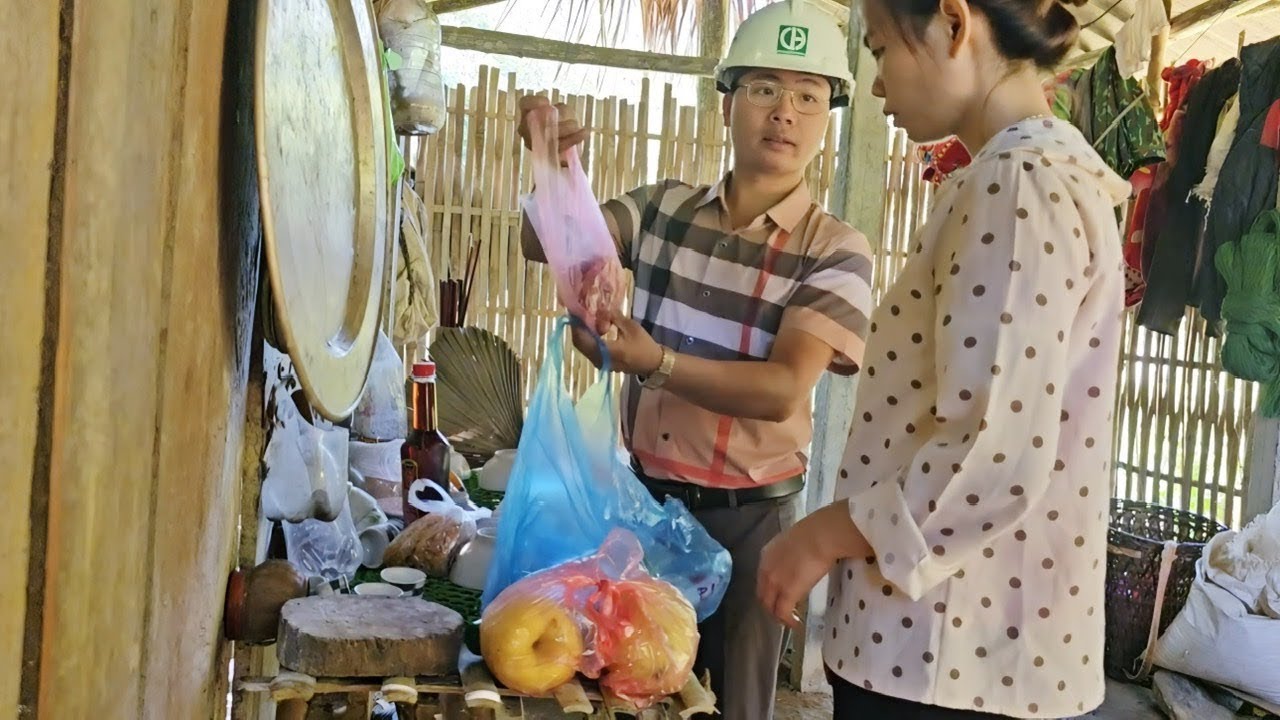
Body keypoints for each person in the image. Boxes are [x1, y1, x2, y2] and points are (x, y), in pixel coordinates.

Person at [756, 0, 1129, 718]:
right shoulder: (1034, 173)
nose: (876, 84)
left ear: (954, 24)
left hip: (949, 660)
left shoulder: (1018, 183)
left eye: (881, 50)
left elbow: (994, 448)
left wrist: (821, 535)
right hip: (969, 653)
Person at [517, 2, 873, 716]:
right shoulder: (662, 209)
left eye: (808, 96)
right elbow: (545, 243)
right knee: (633, 695)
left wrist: (656, 362)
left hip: (752, 526)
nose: (785, 113)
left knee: (733, 705)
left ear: (828, 117)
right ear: (727, 102)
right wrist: (551, 168)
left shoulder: (836, 250)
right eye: (764, 89)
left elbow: (783, 388)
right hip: (645, 511)